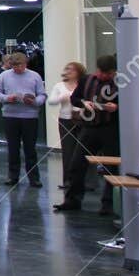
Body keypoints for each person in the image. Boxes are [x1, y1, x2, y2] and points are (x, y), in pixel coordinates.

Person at [56, 56, 120, 213]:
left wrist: (116, 106)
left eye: (107, 73)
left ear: (113, 72)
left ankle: (108, 203)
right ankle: (72, 199)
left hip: (110, 128)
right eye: (101, 72)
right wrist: (84, 103)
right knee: (77, 164)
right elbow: (74, 99)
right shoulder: (86, 80)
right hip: (89, 127)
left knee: (111, 167)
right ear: (97, 69)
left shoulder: (119, 83)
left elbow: (129, 103)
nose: (103, 76)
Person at [0, 49, 46, 187]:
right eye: (15, 66)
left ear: (26, 63)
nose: (18, 68)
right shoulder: (4, 76)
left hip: (30, 116)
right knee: (13, 148)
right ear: (10, 65)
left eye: (20, 65)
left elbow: (42, 95)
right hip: (10, 115)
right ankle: (13, 176)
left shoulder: (35, 76)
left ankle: (34, 178)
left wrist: (35, 101)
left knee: (30, 148)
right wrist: (7, 98)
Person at [49, 61, 89, 209]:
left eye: (72, 69)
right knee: (68, 151)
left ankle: (84, 181)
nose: (69, 71)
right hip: (66, 120)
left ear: (79, 72)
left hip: (82, 120)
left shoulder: (84, 85)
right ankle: (68, 181)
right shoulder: (59, 86)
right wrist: (63, 98)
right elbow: (51, 101)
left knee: (83, 151)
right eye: (67, 69)